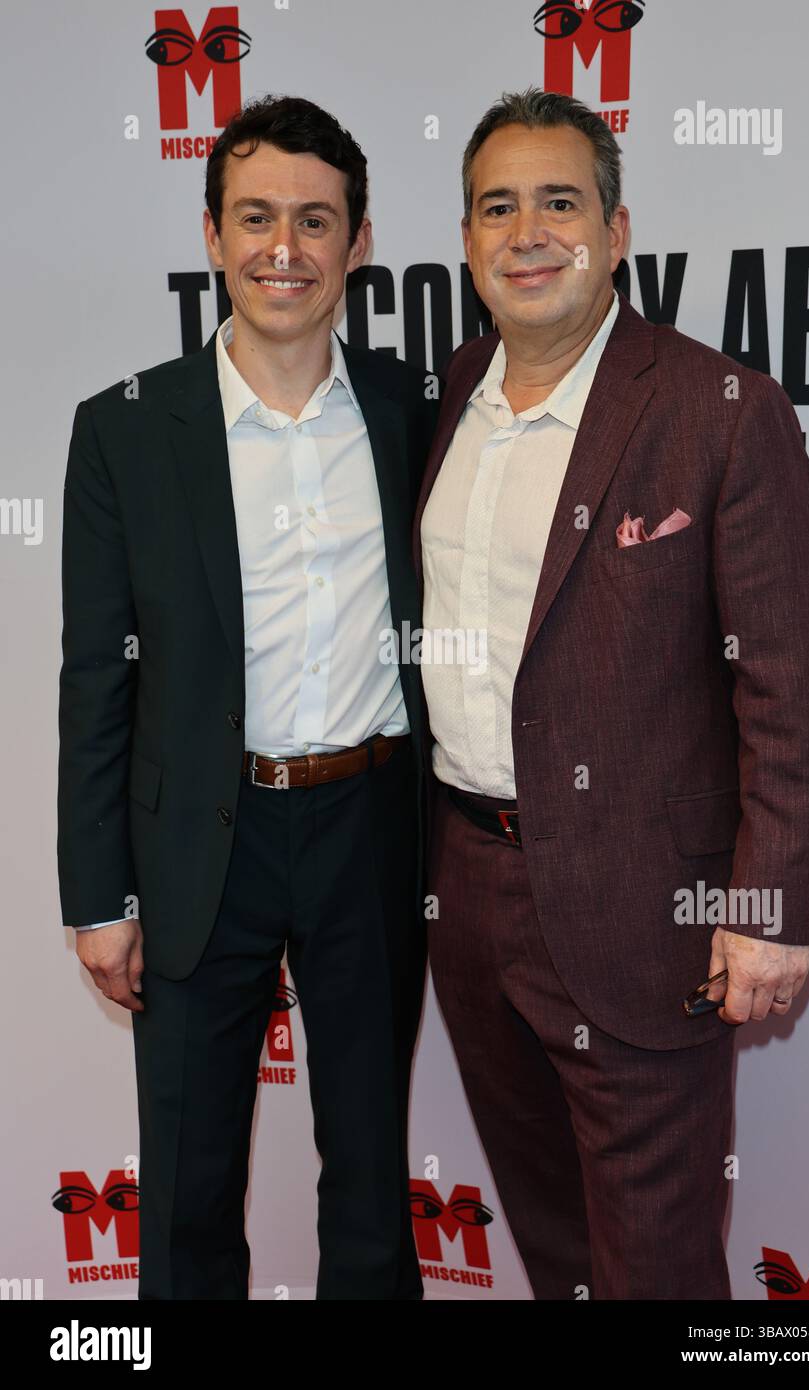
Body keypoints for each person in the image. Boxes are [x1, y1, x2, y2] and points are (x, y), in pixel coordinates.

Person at [412, 87, 809, 1300]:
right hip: (470, 889)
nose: (527, 231)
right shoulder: (455, 393)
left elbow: (785, 687)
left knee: (652, 1267)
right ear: (466, 240)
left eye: (559, 201)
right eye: (497, 206)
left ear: (616, 228)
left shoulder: (719, 409)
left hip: (648, 909)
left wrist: (763, 903)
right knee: (551, 1242)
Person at [58, 94, 438, 1300]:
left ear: (359, 243)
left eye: (315, 220)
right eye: (258, 216)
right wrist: (96, 892)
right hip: (194, 846)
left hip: (370, 827)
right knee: (183, 1189)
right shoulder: (121, 430)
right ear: (213, 233)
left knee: (374, 1187)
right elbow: (94, 678)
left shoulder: (409, 411)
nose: (287, 246)